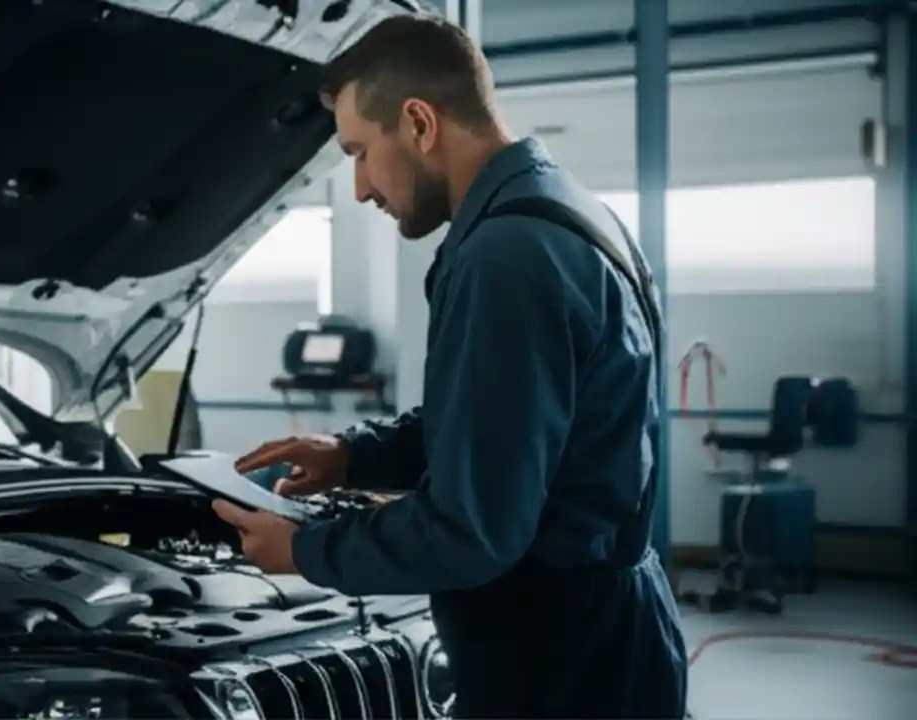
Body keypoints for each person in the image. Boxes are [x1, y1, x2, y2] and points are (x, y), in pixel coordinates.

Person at [209, 14, 689, 719]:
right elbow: (503, 426)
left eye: (360, 152)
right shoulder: (567, 214)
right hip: (599, 638)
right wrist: (352, 456)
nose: (361, 187)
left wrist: (306, 549)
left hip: (559, 663)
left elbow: (472, 531)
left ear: (419, 123)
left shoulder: (506, 257)